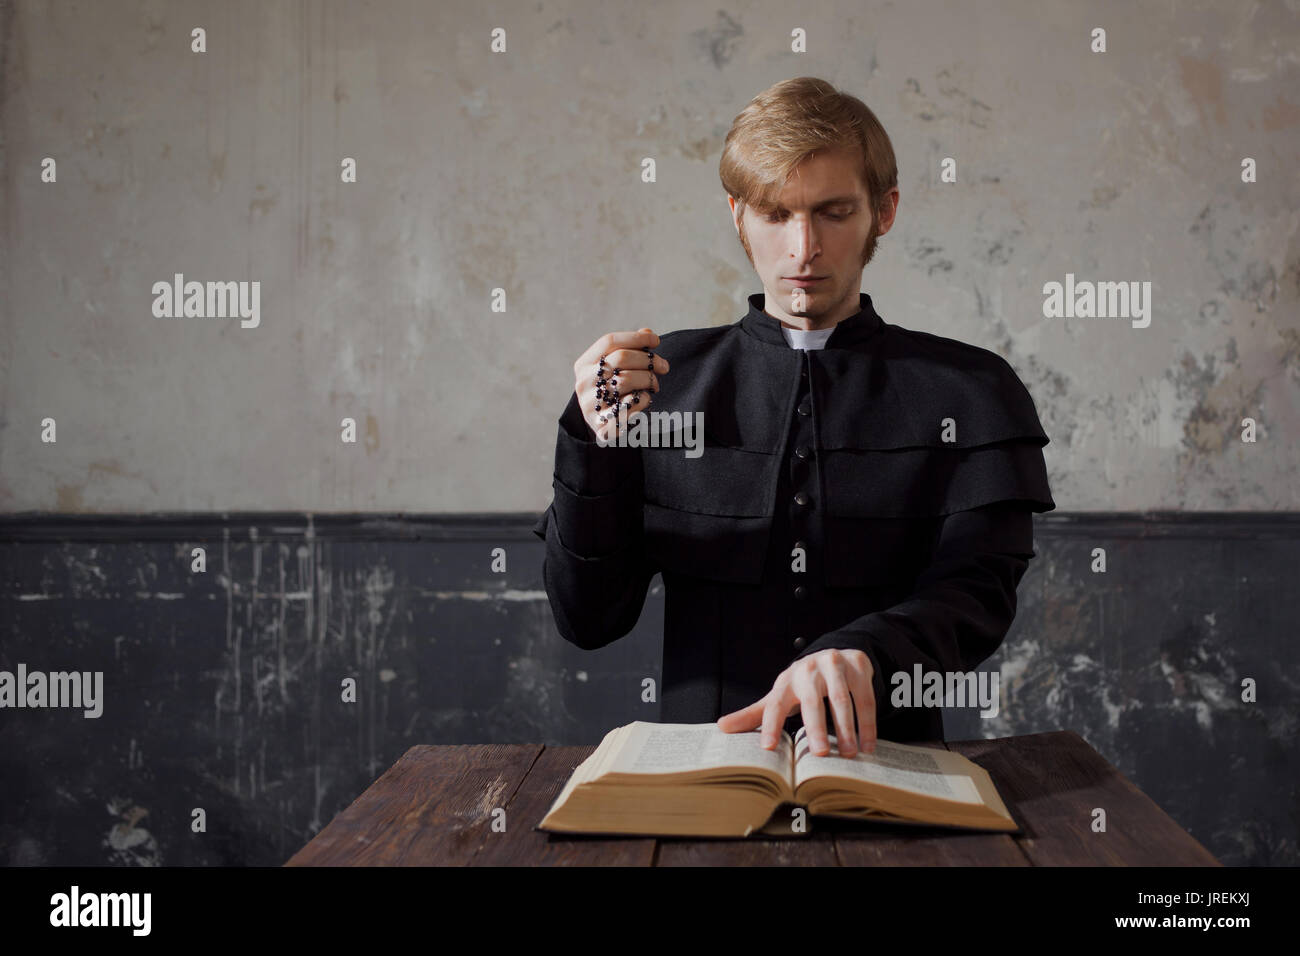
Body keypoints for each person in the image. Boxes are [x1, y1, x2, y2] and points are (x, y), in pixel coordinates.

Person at [532, 77, 1054, 759]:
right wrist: (592, 441)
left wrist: (867, 653)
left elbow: (975, 596)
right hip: (701, 784)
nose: (802, 249)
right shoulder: (657, 386)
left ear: (884, 211)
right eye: (776, 214)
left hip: (893, 780)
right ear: (738, 215)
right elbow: (588, 619)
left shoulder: (973, 393)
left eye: (834, 212)